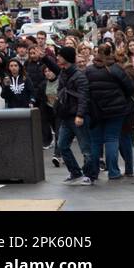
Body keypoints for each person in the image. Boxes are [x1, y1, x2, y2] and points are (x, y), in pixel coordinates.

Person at [84, 41, 134, 182]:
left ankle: (93, 173)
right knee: (112, 139)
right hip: (116, 110)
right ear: (110, 53)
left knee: (95, 142)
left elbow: (84, 90)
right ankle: (113, 171)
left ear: (97, 54)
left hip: (95, 111)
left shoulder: (88, 70)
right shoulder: (116, 69)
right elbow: (130, 88)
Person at [54, 46, 94, 184]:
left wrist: (80, 115)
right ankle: (75, 172)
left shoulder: (79, 75)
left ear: (67, 58)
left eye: (60, 55)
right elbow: (60, 90)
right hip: (66, 116)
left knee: (86, 148)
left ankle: (90, 174)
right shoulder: (63, 73)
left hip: (77, 116)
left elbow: (84, 97)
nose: (58, 58)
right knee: (62, 145)